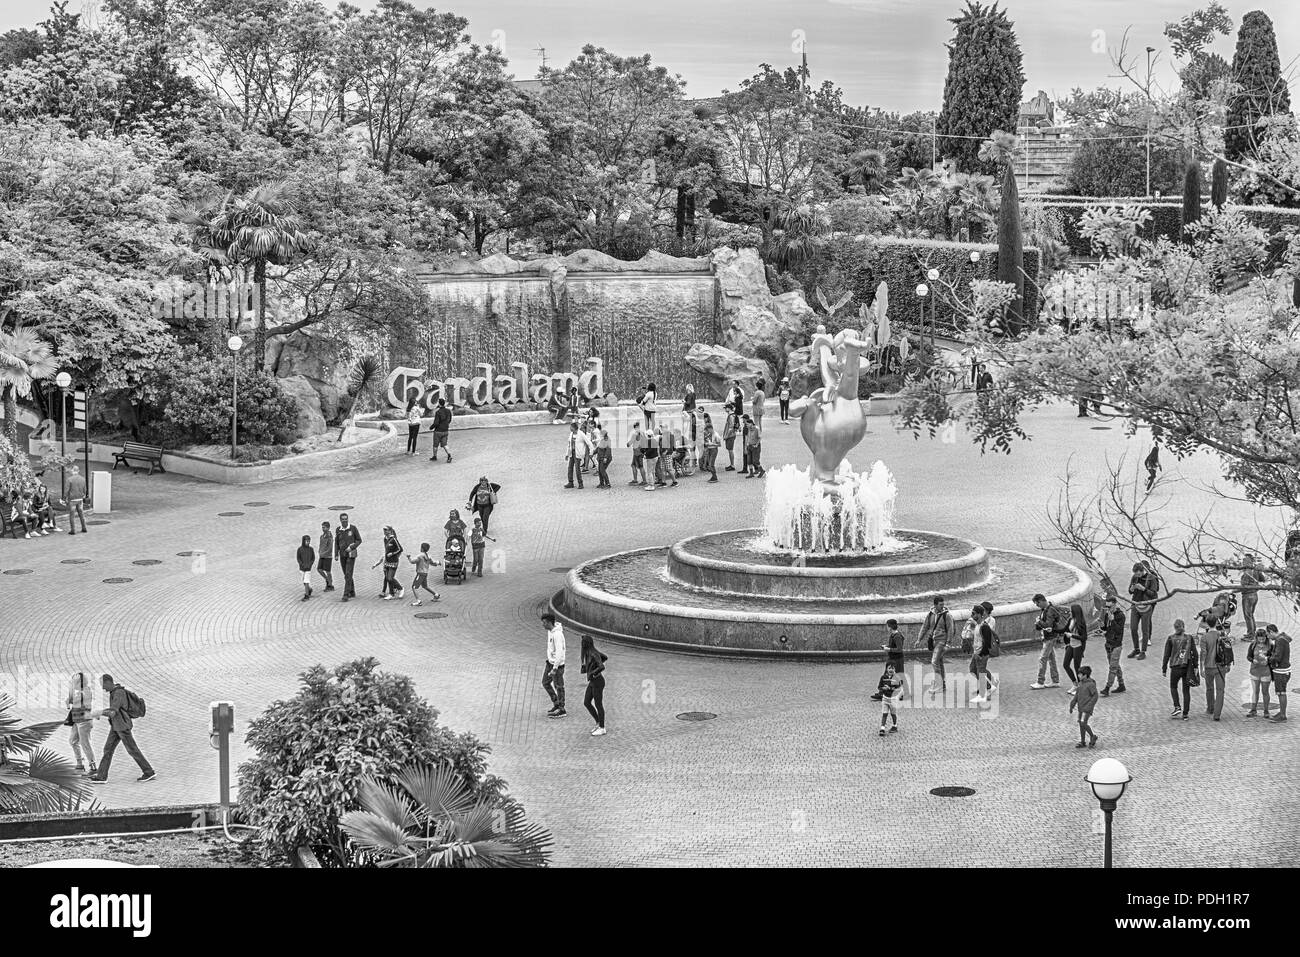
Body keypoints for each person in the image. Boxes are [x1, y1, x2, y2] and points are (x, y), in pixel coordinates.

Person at [88, 674, 155, 783]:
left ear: (109, 682)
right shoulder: (114, 692)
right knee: (108, 749)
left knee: (132, 750)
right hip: (116, 726)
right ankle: (101, 777)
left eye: (103, 685)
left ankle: (149, 772)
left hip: (122, 727)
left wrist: (99, 712)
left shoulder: (119, 693)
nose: (103, 688)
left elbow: (113, 712)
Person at [914, 595, 954, 697]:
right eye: (940, 605)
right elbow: (925, 627)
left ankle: (939, 684)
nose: (942, 606)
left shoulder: (947, 615)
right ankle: (943, 684)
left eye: (943, 604)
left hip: (942, 641)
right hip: (934, 641)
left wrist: (948, 644)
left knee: (934, 662)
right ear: (935, 605)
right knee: (939, 662)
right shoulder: (930, 614)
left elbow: (950, 629)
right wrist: (919, 639)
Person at [1161, 619, 1198, 720]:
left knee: (1173, 687)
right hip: (1186, 667)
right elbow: (1195, 653)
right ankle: (1185, 713)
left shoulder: (1170, 639)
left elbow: (1166, 655)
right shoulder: (1189, 638)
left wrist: (1164, 668)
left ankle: (1177, 706)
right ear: (1183, 626)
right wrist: (1196, 666)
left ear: (1174, 627)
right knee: (1186, 691)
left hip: (1175, 667)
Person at [1030, 593, 1067, 689]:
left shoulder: (1050, 611)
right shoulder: (1046, 610)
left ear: (1041, 601)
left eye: (1037, 603)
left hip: (1050, 637)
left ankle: (1040, 681)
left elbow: (1047, 625)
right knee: (1051, 659)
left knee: (1042, 658)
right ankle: (1055, 680)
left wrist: (1039, 622)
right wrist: (1039, 623)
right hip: (1049, 637)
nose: (1037, 606)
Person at [65, 671, 96, 777]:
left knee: (85, 743)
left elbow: (73, 701)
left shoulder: (86, 691)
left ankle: (93, 767)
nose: (73, 683)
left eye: (75, 681)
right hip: (76, 721)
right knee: (73, 741)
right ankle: (79, 764)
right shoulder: (77, 692)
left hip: (84, 722)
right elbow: (69, 702)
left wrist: (71, 693)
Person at [1127, 561, 1159, 659]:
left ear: (1142, 571)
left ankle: (1143, 651)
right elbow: (1129, 591)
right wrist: (1132, 589)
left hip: (1146, 606)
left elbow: (1153, 594)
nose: (1137, 575)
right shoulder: (1134, 577)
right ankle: (1136, 649)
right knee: (1133, 628)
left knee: (1145, 629)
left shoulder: (1151, 578)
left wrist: (1143, 589)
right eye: (1135, 574)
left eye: (1139, 573)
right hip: (1136, 604)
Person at [1200, 622, 1233, 721]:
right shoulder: (1223, 636)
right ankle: (1217, 714)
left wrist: (1201, 667)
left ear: (1207, 624)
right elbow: (1228, 651)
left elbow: (1203, 653)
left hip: (1209, 666)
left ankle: (1210, 708)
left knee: (1209, 688)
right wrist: (1228, 664)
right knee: (1220, 690)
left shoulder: (1204, 637)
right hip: (1220, 667)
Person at [580, 634, 608, 736]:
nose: (582, 645)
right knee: (586, 702)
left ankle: (602, 727)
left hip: (598, 682)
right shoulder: (589, 653)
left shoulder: (592, 653)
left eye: (583, 643)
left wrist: (593, 672)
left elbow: (602, 666)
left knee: (598, 704)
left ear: (586, 644)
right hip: (593, 682)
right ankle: (598, 722)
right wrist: (590, 667)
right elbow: (605, 657)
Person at [1099, 596, 1127, 696]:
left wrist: (1113, 620)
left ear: (1114, 604)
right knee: (1115, 665)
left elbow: (1119, 630)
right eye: (1106, 607)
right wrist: (1102, 626)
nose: (1108, 609)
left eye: (1109, 606)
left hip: (1116, 645)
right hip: (1108, 643)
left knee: (1112, 667)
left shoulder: (1121, 616)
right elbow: (1107, 628)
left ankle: (1107, 688)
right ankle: (1121, 684)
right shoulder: (1108, 614)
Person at [541, 613, 566, 718]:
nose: (543, 625)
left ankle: (562, 709)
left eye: (544, 623)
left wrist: (555, 668)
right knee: (545, 682)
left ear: (549, 622)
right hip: (550, 663)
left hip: (557, 666)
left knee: (559, 686)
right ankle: (556, 703)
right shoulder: (550, 631)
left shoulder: (557, 635)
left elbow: (560, 652)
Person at [1069, 666, 1099, 749]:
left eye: (1080, 674)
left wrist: (1089, 706)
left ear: (1085, 675)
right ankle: (1083, 741)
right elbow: (1077, 695)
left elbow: (1095, 696)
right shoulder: (1081, 683)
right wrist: (1072, 705)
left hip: (1087, 708)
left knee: (1083, 723)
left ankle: (1092, 736)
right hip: (1081, 708)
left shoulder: (1091, 684)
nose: (1078, 675)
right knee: (1081, 724)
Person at [1246, 628, 1273, 718]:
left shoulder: (1270, 646)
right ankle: (1253, 710)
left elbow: (1273, 657)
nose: (1261, 641)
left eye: (1263, 639)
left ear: (1266, 638)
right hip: (1254, 671)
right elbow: (1249, 656)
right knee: (1255, 691)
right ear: (1256, 638)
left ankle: (1266, 710)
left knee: (1265, 691)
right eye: (1259, 639)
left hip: (1265, 672)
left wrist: (1268, 661)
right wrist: (1253, 660)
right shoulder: (1253, 645)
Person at [969, 609, 994, 704]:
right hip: (976, 653)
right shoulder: (977, 625)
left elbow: (987, 643)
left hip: (981, 654)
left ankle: (983, 695)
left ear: (979, 614)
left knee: (980, 673)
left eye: (973, 613)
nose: (971, 615)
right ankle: (988, 686)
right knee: (972, 669)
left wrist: (981, 654)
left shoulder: (984, 627)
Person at [335, 513, 362, 602]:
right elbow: (336, 542)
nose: (344, 520)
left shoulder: (353, 528)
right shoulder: (338, 530)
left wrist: (352, 547)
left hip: (351, 555)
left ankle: (345, 595)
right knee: (346, 574)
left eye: (346, 519)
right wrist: (336, 554)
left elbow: (359, 540)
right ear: (340, 520)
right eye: (343, 519)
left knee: (348, 574)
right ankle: (352, 591)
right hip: (342, 555)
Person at [372, 526, 404, 600]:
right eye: (384, 530)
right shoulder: (385, 539)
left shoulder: (394, 539)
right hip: (387, 561)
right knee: (387, 577)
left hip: (393, 561)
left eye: (386, 530)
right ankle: (391, 593)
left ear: (390, 531)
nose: (385, 531)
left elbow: (400, 549)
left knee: (390, 578)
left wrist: (392, 553)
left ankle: (401, 588)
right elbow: (386, 550)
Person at [1266, 624, 1290, 722]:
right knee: (1280, 692)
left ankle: (1283, 715)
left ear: (1271, 632)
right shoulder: (1282, 638)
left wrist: (1268, 658)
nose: (1268, 636)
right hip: (1284, 670)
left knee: (1281, 692)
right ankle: (1282, 711)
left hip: (1281, 671)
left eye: (1268, 634)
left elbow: (1278, 657)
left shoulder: (1279, 641)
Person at [1063, 603, 1088, 695]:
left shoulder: (1081, 623)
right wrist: (1052, 629)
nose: (1070, 612)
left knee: (1077, 667)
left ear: (1075, 612)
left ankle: (1080, 686)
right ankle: (1075, 683)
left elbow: (1084, 637)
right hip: (1071, 645)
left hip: (1078, 646)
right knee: (1065, 664)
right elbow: (1064, 629)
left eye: (1071, 611)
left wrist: (1072, 635)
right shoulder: (1071, 620)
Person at [564, 420, 593, 490]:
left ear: (574, 428)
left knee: (577, 469)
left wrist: (591, 452)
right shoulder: (571, 434)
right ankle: (570, 482)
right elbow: (569, 444)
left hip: (578, 454)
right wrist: (567, 454)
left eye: (571, 427)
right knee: (570, 468)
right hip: (572, 453)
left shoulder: (581, 434)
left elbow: (589, 443)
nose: (570, 428)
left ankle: (580, 483)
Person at [877, 664, 903, 736]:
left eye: (893, 668)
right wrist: (883, 689)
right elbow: (879, 687)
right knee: (884, 713)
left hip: (893, 699)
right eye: (889, 668)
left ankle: (895, 726)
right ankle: (882, 728)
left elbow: (898, 689)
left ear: (894, 669)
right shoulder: (883, 677)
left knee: (893, 714)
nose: (891, 670)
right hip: (885, 698)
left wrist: (890, 688)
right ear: (886, 669)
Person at [62, 465, 89, 535]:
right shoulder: (83, 479)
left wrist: (64, 498)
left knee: (72, 515)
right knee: (81, 514)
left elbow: (66, 490)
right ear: (78, 471)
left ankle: (73, 530)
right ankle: (84, 527)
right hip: (80, 499)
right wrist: (83, 495)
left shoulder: (69, 479)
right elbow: (85, 489)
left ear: (72, 471)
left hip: (72, 499)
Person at [1240, 555, 1261, 640]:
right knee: (1251, 615)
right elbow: (1262, 579)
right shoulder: (1255, 570)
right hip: (1255, 595)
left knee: (1247, 616)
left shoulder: (1246, 573)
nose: (1242, 564)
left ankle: (1250, 635)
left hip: (1248, 596)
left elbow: (1243, 586)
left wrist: (1232, 591)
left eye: (1243, 562)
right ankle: (1252, 632)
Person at [700, 413, 720, 482]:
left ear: (710, 429)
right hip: (710, 450)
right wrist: (706, 443)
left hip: (714, 450)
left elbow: (719, 444)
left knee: (711, 465)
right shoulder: (709, 434)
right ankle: (713, 476)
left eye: (708, 430)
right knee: (710, 465)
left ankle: (715, 477)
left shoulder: (716, 435)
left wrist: (711, 444)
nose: (707, 432)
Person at [627, 422, 648, 487]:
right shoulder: (643, 433)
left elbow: (629, 444)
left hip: (637, 452)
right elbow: (646, 441)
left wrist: (628, 443)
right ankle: (636, 480)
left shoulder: (635, 433)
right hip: (641, 451)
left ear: (634, 427)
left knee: (640, 466)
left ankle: (643, 481)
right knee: (634, 465)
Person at [296, 534, 315, 601]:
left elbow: (313, 558)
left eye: (309, 541)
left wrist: (310, 564)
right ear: (303, 541)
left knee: (306, 581)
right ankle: (309, 589)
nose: (308, 542)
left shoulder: (311, 549)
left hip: (308, 569)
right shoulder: (299, 549)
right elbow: (298, 558)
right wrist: (301, 564)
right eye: (306, 541)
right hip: (302, 568)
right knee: (304, 581)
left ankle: (307, 595)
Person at [317, 521, 335, 592]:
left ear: (328, 528)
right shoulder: (321, 536)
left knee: (328, 571)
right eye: (322, 527)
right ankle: (327, 580)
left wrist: (323, 553)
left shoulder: (330, 537)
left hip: (328, 557)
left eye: (324, 527)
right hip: (321, 556)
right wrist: (319, 551)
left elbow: (330, 548)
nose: (323, 529)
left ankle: (330, 585)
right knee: (319, 569)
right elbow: (320, 545)